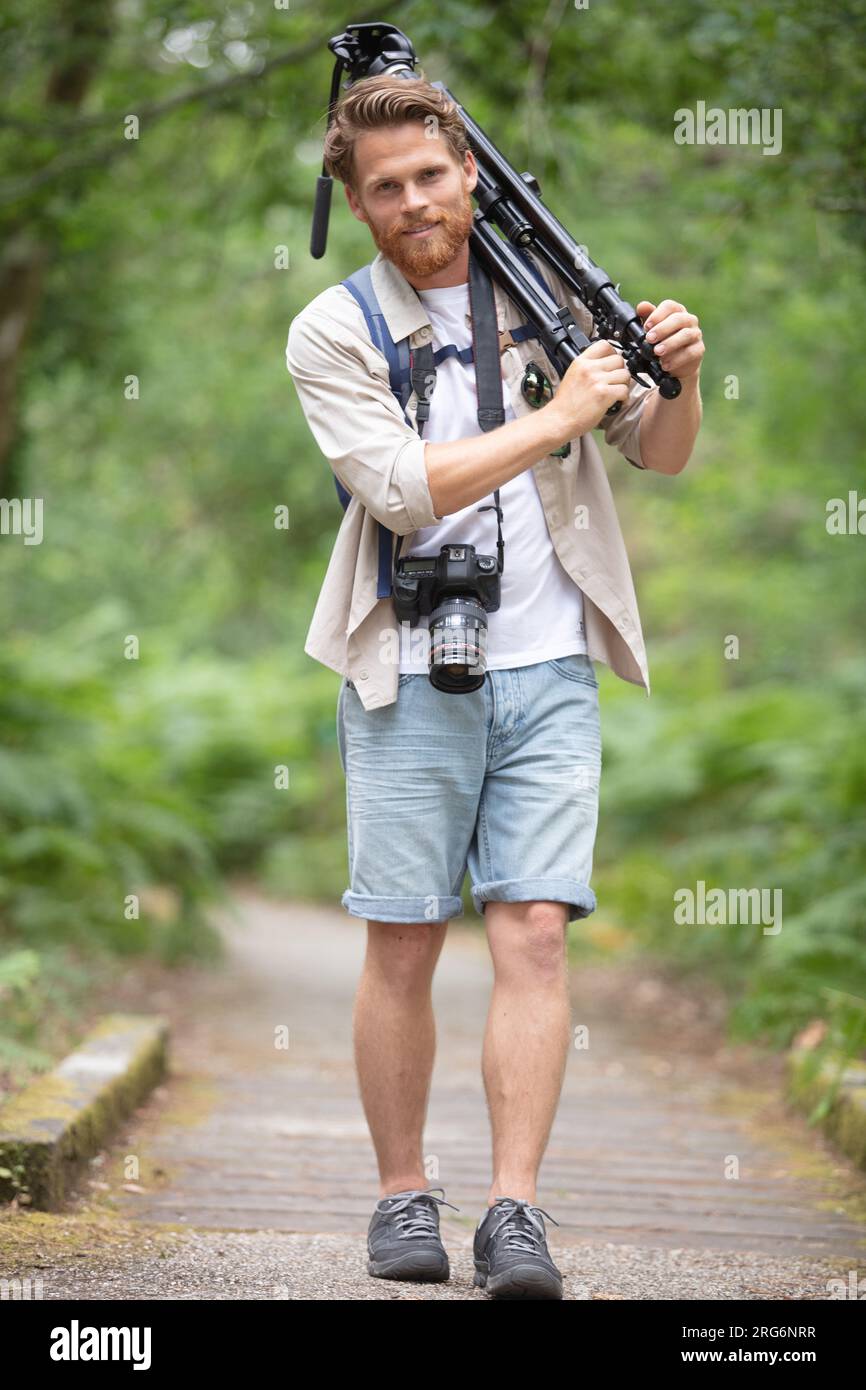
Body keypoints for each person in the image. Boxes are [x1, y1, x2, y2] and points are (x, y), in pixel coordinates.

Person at [285, 73, 704, 1300]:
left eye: (429, 174)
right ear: (357, 208)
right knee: (404, 934)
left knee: (532, 930)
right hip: (405, 668)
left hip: (550, 661)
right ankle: (400, 1194)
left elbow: (657, 452)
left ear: (468, 170)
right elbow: (403, 489)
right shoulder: (334, 330)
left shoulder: (548, 298)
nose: (413, 201)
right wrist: (557, 412)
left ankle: (514, 1212)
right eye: (385, 189)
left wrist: (679, 371)